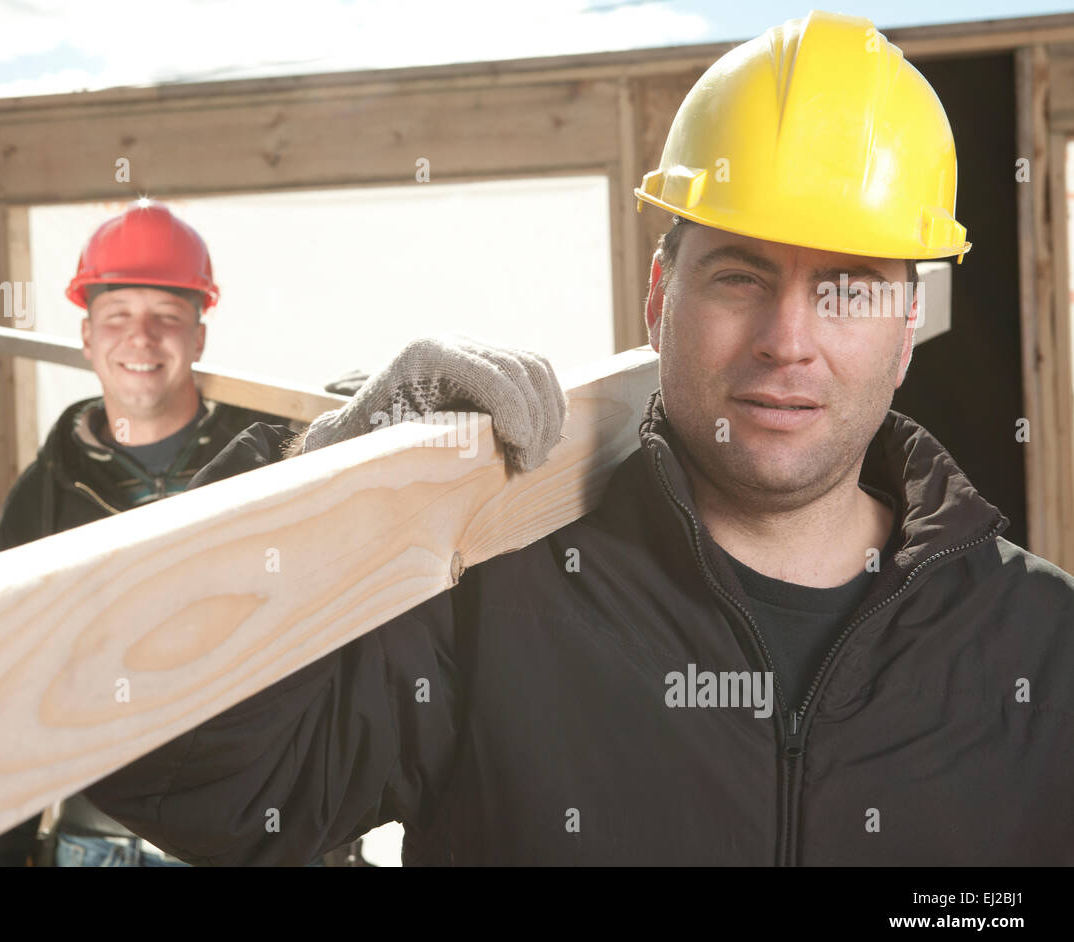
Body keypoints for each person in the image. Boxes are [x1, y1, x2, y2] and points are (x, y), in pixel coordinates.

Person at [84, 12, 1074, 864]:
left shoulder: (1041, 642)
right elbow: (162, 764)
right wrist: (326, 486)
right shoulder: (489, 591)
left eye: (845, 287)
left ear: (906, 332)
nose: (787, 340)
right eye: (739, 274)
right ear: (657, 298)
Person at [0, 199, 287, 866]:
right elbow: (5, 691)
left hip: (250, 837)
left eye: (167, 316)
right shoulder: (44, 497)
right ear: (87, 337)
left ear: (198, 336)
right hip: (96, 843)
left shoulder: (278, 467)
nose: (141, 339)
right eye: (118, 317)